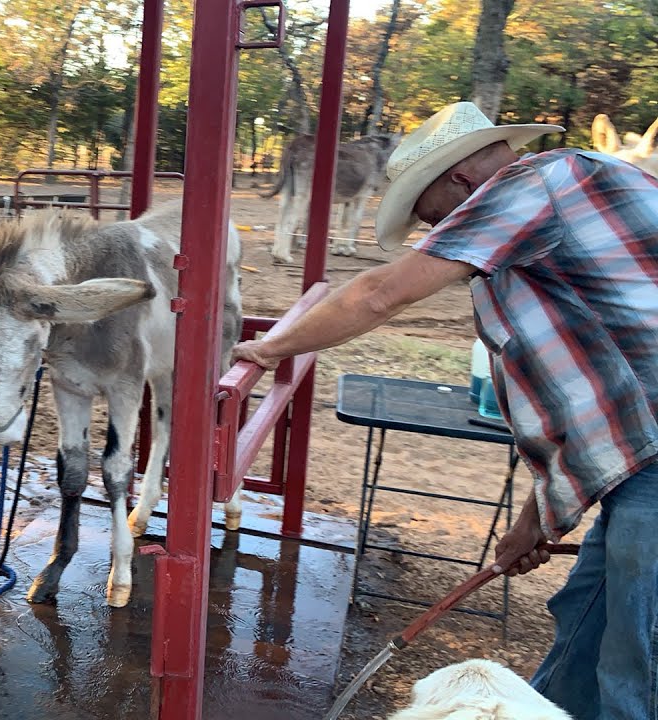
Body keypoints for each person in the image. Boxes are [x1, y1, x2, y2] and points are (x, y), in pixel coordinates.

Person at [232, 101, 658, 719]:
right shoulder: (578, 190)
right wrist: (535, 520)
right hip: (638, 464)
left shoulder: (532, 184)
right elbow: (603, 389)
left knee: (635, 665)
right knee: (586, 626)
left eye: (435, 217)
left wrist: (271, 347)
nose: (438, 234)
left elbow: (379, 293)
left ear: (461, 180)